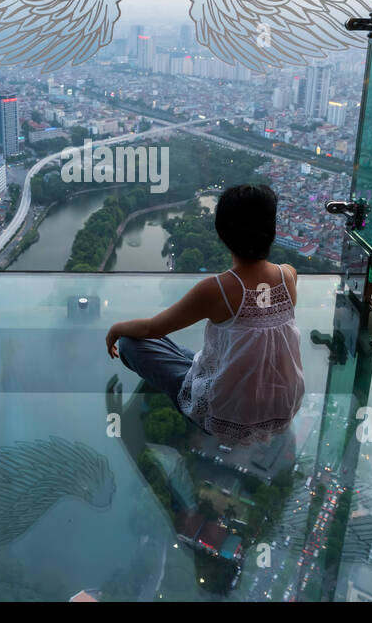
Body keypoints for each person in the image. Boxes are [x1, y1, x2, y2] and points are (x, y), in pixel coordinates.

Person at [105, 183, 305, 444]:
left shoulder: (218, 289)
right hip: (280, 406)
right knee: (195, 357)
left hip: (226, 414)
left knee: (132, 343)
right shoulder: (288, 275)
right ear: (271, 232)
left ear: (222, 234)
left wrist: (115, 330)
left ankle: (194, 405)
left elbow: (152, 329)